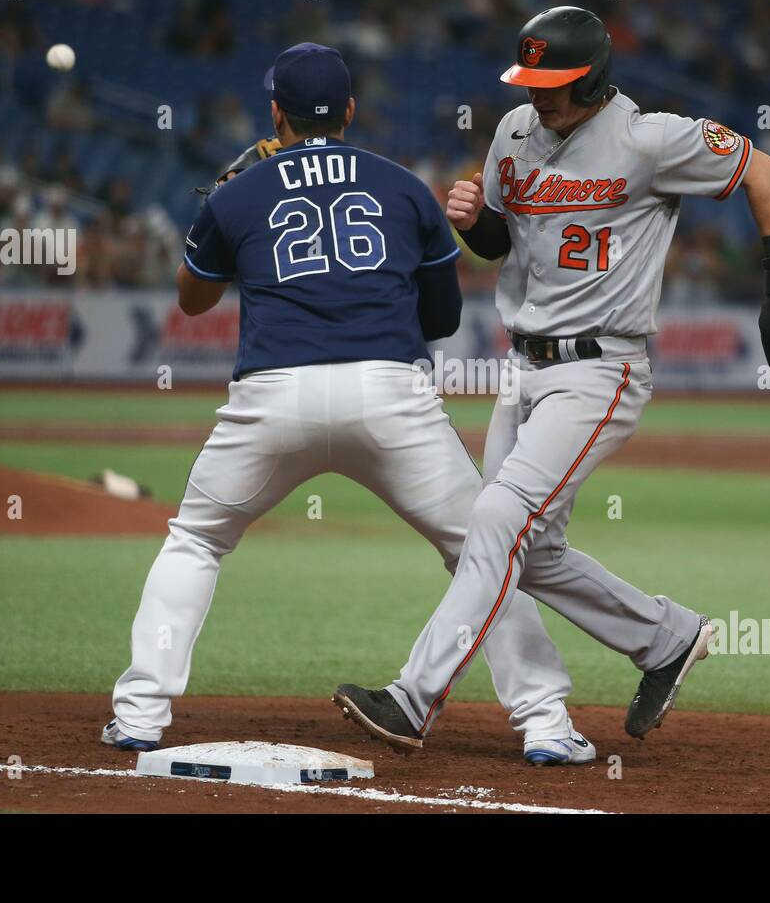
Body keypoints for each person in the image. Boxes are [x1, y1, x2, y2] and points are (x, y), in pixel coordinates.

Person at [102, 43, 595, 767]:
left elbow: (193, 297)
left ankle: (140, 713)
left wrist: (223, 202)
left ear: (276, 113)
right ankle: (546, 720)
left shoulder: (243, 191)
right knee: (480, 549)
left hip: (273, 396)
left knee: (198, 539)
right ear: (352, 112)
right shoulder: (402, 188)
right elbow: (442, 321)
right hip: (388, 394)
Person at [333, 7, 770, 752]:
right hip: (521, 367)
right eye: (529, 80)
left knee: (494, 522)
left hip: (601, 368)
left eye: (552, 83)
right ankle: (666, 638)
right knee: (530, 551)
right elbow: (502, 236)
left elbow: (763, 171)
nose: (537, 95)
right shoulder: (514, 131)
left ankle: (412, 698)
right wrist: (473, 223)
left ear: (592, 78)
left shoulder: (651, 139)